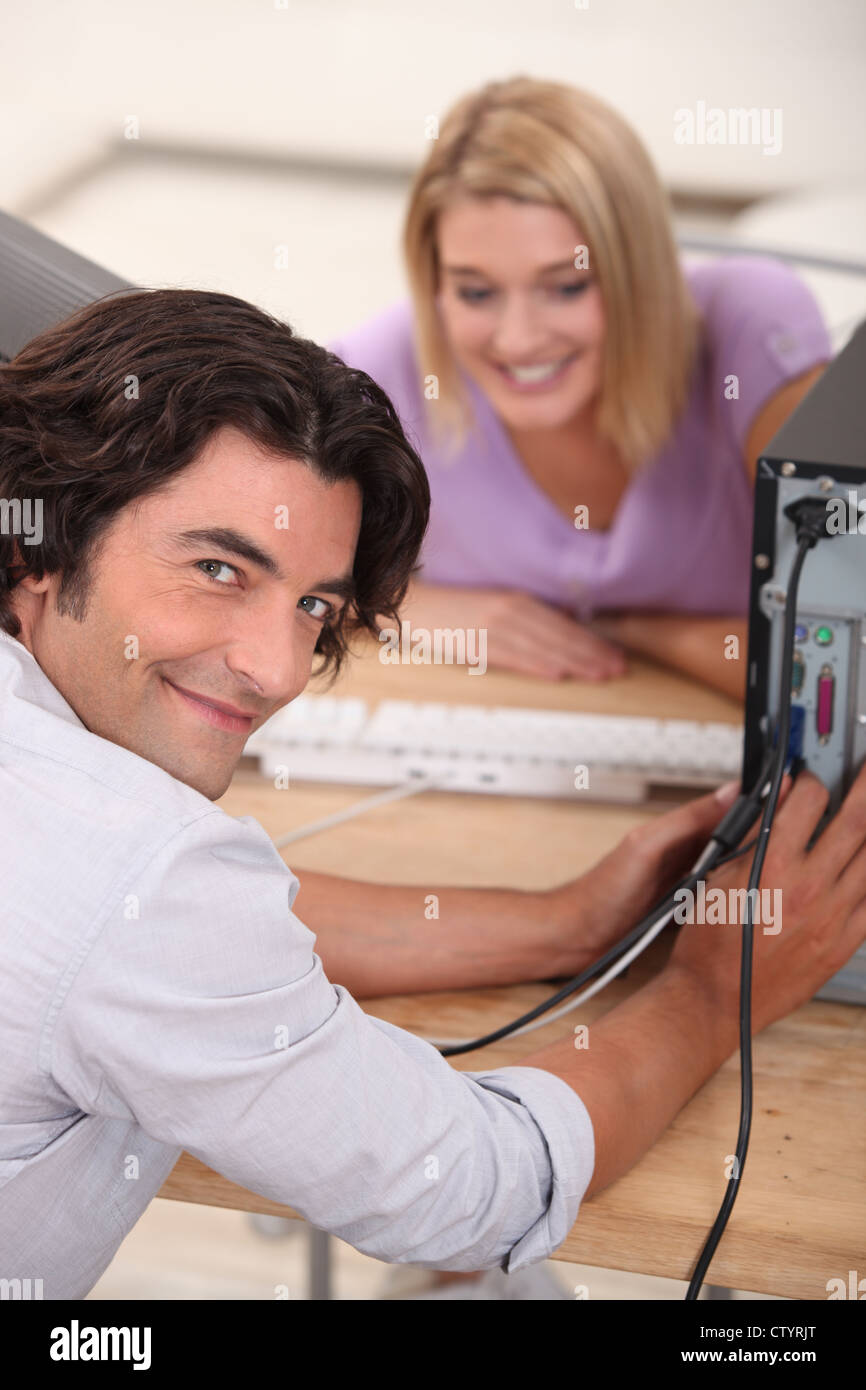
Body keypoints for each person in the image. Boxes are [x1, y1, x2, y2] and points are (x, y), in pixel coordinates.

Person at [2, 288, 864, 1301]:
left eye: (314, 605)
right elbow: (480, 1190)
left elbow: (154, 925)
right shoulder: (129, 868)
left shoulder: (112, 855)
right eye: (218, 567)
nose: (277, 669)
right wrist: (713, 993)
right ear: (38, 544)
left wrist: (568, 922)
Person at [327, 77, 832, 698]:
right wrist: (402, 605)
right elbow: (241, 566)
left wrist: (644, 632)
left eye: (567, 286)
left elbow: (843, 662)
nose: (517, 340)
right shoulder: (387, 368)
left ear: (638, 270)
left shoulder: (747, 327)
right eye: (475, 291)